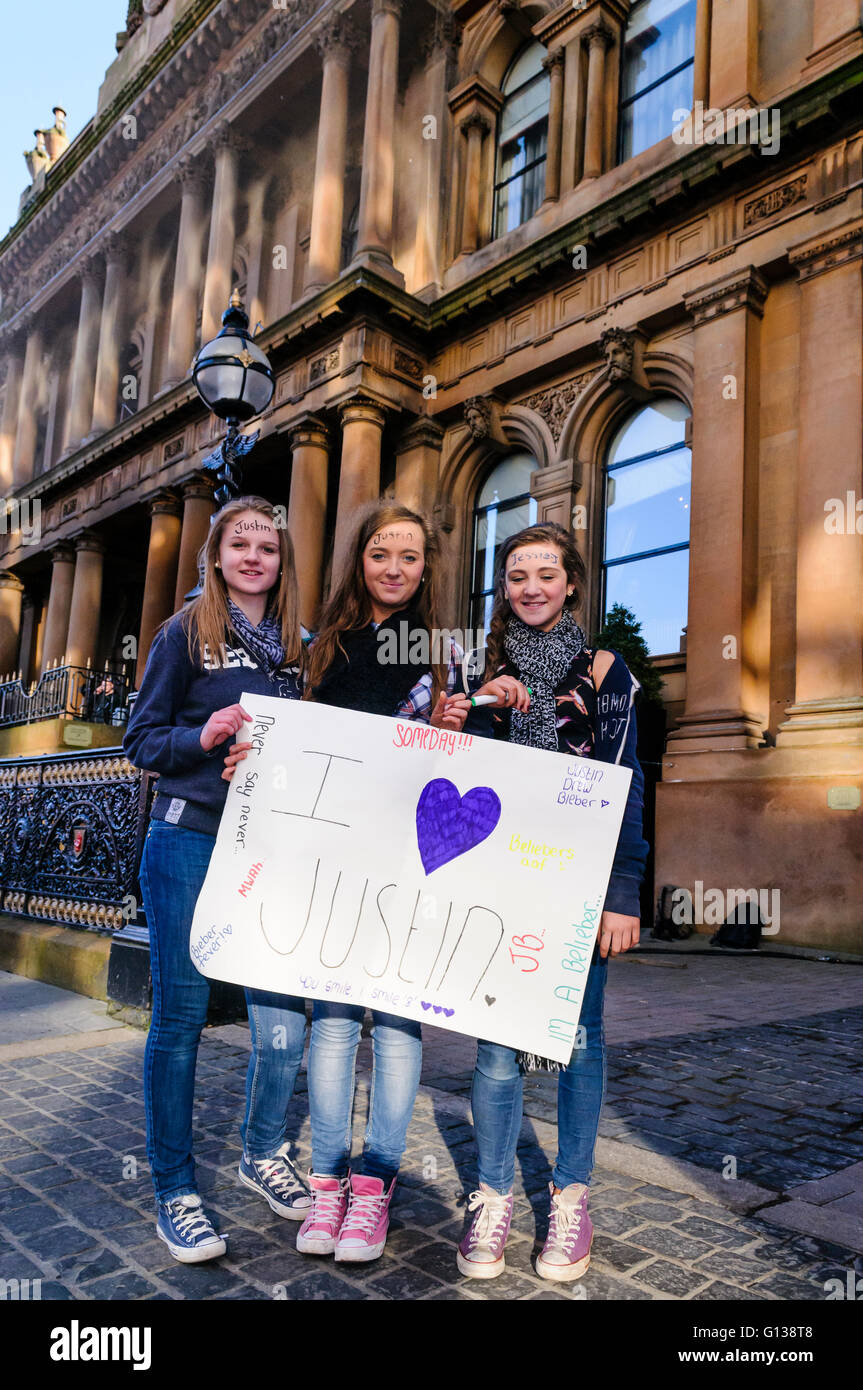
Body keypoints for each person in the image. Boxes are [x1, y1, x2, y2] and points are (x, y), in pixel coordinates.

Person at [223, 502, 487, 1264]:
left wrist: (455, 730)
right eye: (380, 553)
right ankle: (328, 1180)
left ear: (425, 568)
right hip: (330, 859)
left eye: (409, 556)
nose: (394, 568)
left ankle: (375, 1185)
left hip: (409, 858)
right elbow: (290, 742)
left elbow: (458, 765)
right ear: (360, 561)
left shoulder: (445, 655)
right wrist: (250, 755)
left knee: (399, 1026)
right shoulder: (319, 646)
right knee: (334, 1024)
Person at [455, 522, 648, 1283]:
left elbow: (626, 785)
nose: (530, 586)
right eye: (515, 575)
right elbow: (452, 775)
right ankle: (494, 1195)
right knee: (495, 1042)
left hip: (576, 881)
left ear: (571, 583)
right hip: (496, 881)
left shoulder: (607, 672)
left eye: (545, 573)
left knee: (577, 1041)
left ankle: (569, 1195)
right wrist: (480, 709)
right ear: (502, 589)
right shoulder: (481, 669)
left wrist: (621, 892)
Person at [123, 495, 313, 1264]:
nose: (253, 557)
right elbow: (141, 738)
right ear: (217, 554)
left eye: (267, 547)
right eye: (240, 543)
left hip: (268, 848)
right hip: (187, 841)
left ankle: (262, 1150)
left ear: (280, 561)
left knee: (283, 1019)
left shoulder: (299, 648)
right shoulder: (184, 632)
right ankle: (174, 1188)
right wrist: (203, 736)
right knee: (180, 1018)